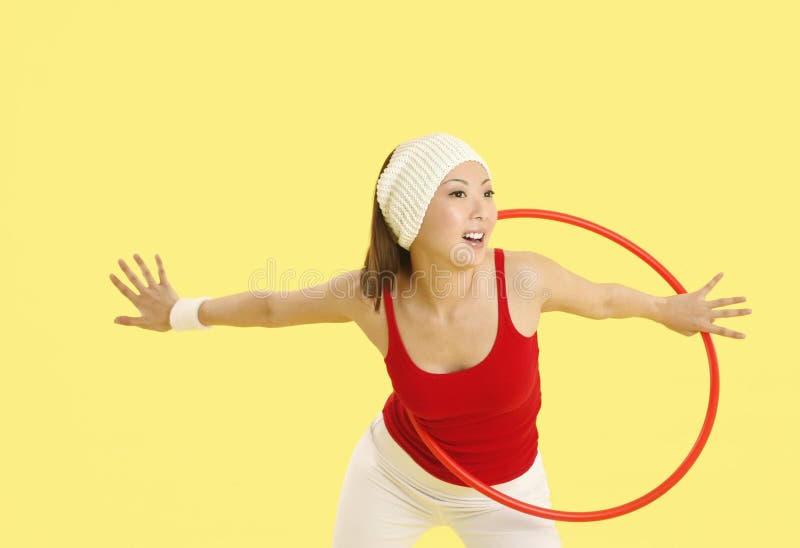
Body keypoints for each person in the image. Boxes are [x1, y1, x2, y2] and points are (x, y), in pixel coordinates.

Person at [109, 132, 751, 547]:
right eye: (459, 193)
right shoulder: (373, 297)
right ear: (411, 217)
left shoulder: (523, 280)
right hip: (395, 477)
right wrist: (179, 312)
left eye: (488, 193)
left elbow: (605, 300)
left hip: (509, 497)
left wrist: (669, 309)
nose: (483, 208)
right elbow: (273, 306)